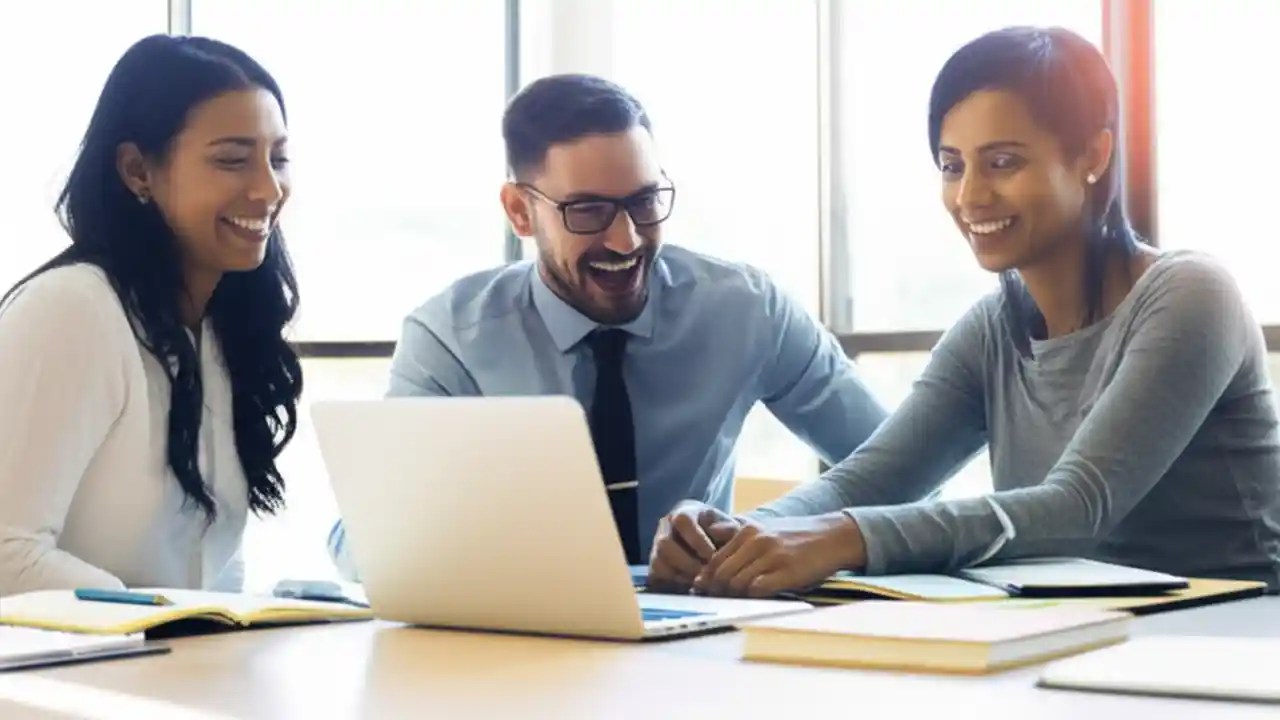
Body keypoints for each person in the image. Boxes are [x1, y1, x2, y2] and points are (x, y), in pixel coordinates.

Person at [652, 26, 1280, 596]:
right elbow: (866, 481)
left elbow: (1078, 507)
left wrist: (846, 537)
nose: (970, 195)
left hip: (1230, 638)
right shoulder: (991, 330)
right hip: (1073, 632)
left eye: (1003, 163)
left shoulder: (1191, 294)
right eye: (952, 166)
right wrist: (732, 536)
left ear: (1093, 155)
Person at [327, 73, 887, 580]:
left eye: (644, 202)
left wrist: (751, 533)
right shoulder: (450, 340)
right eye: (588, 211)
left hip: (703, 628)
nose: (627, 240)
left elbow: (895, 469)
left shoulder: (747, 311)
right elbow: (360, 541)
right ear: (520, 211)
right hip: (523, 633)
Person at [0, 35, 302, 595]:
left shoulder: (218, 329)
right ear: (138, 170)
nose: (268, 189)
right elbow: (6, 554)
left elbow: (212, 570)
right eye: (233, 160)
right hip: (76, 655)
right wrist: (165, 620)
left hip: (161, 652)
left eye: (278, 159)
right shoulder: (72, 309)